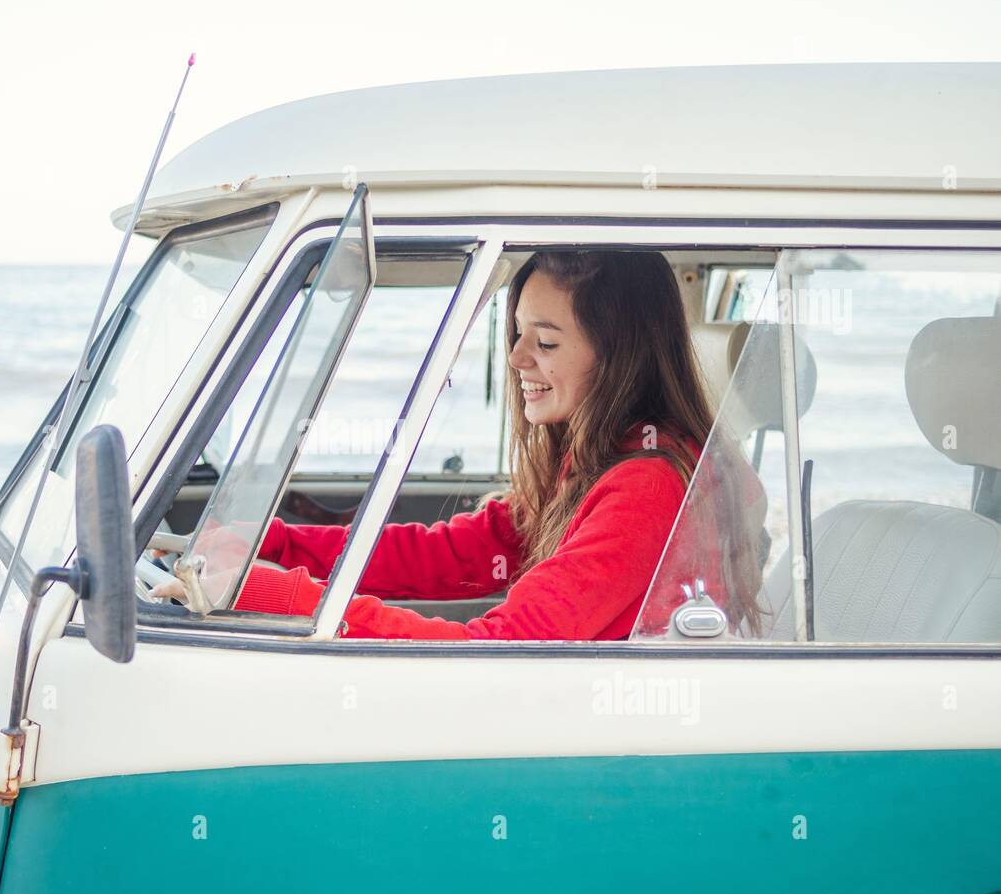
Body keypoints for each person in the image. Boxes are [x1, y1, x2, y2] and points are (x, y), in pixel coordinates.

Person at [154, 249, 762, 640]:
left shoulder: (646, 485)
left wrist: (277, 594)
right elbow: (445, 555)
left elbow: (500, 652)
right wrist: (274, 545)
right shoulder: (596, 458)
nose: (519, 358)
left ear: (620, 357)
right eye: (518, 334)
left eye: (546, 343)